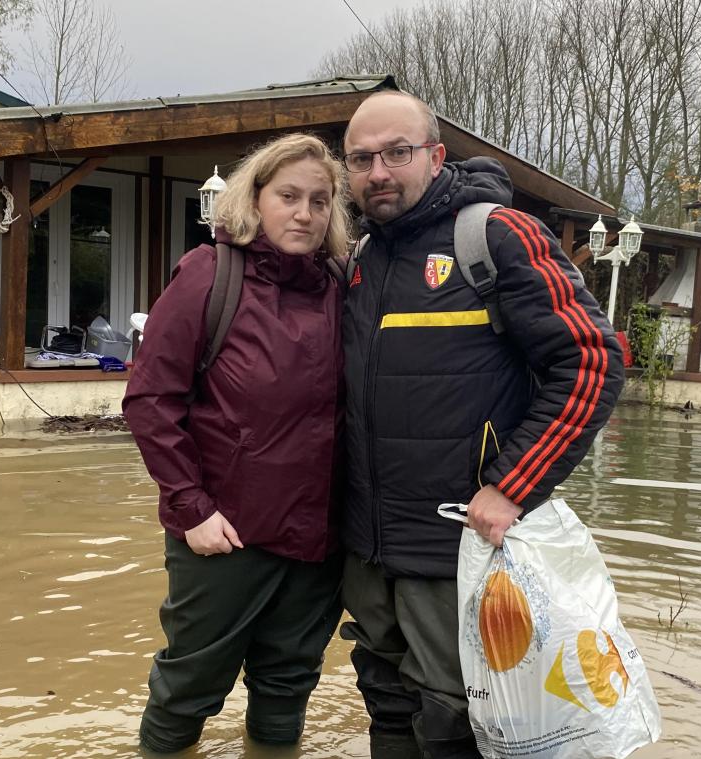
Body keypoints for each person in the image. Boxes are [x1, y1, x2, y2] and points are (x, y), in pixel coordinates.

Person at [338, 91, 626, 757]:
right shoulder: (360, 260)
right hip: (368, 548)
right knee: (383, 693)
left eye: (396, 153)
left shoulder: (495, 236)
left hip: (459, 546)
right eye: (361, 158)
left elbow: (591, 362)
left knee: (454, 715)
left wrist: (512, 486)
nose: (378, 171)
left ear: (436, 157)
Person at [121, 133, 351, 753]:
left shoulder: (342, 286)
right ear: (255, 198)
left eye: (320, 200)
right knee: (187, 685)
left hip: (317, 542)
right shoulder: (208, 276)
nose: (305, 213)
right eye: (289, 196)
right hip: (224, 536)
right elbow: (150, 402)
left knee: (288, 687)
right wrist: (192, 509)